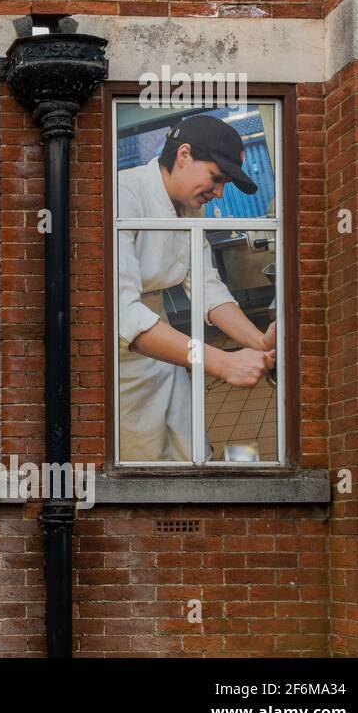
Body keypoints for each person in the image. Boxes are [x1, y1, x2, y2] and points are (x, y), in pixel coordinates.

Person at [117, 114, 276, 461]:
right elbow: (122, 316)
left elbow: (207, 287)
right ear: (184, 155)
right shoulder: (122, 195)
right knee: (143, 462)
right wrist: (219, 361)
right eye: (216, 178)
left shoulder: (188, 211)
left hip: (165, 351)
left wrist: (259, 341)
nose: (219, 192)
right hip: (121, 362)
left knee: (192, 453)